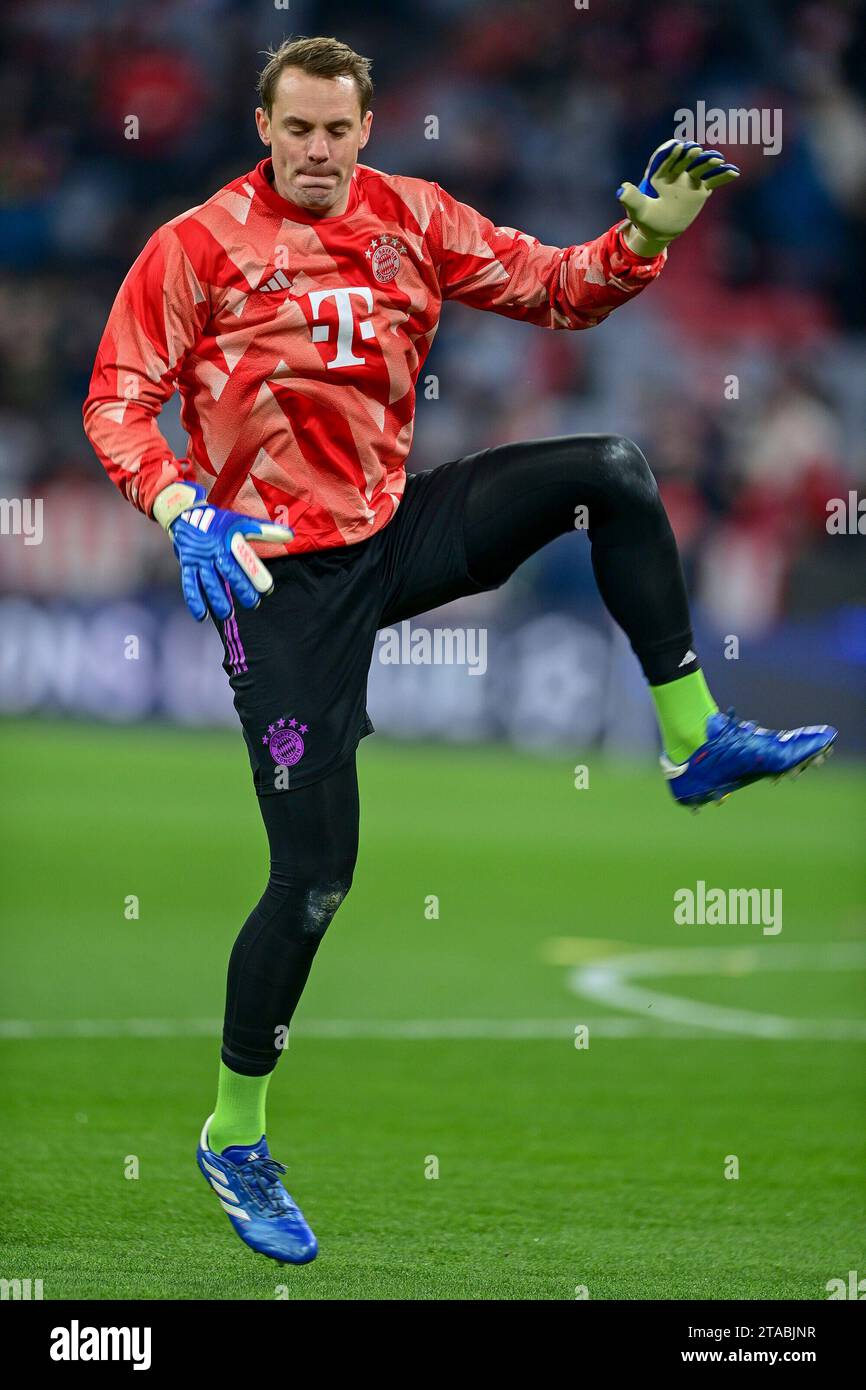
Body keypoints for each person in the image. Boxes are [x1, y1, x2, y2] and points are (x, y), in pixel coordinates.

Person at [82, 36, 836, 1267]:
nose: (317, 151)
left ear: (368, 127)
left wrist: (644, 237)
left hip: (392, 529)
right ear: (263, 129)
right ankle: (233, 1132)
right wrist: (178, 504)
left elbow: (555, 287)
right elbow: (115, 400)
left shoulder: (413, 218)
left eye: (338, 129)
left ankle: (693, 737)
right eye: (297, 130)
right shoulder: (195, 247)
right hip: (272, 577)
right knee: (315, 877)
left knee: (610, 472)